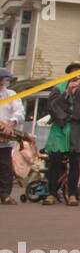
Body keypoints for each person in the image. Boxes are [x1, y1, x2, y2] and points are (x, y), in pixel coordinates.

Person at [44, 63, 80, 207]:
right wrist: (68, 92)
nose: (77, 74)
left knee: (75, 163)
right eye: (74, 72)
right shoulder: (60, 87)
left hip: (77, 127)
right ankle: (51, 193)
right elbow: (53, 107)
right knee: (55, 162)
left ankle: (72, 194)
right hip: (60, 128)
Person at [0, 67, 34, 205]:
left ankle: (5, 195)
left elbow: (20, 112)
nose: (1, 82)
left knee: (5, 169)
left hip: (4, 138)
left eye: (2, 80)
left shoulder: (10, 94)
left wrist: (11, 123)